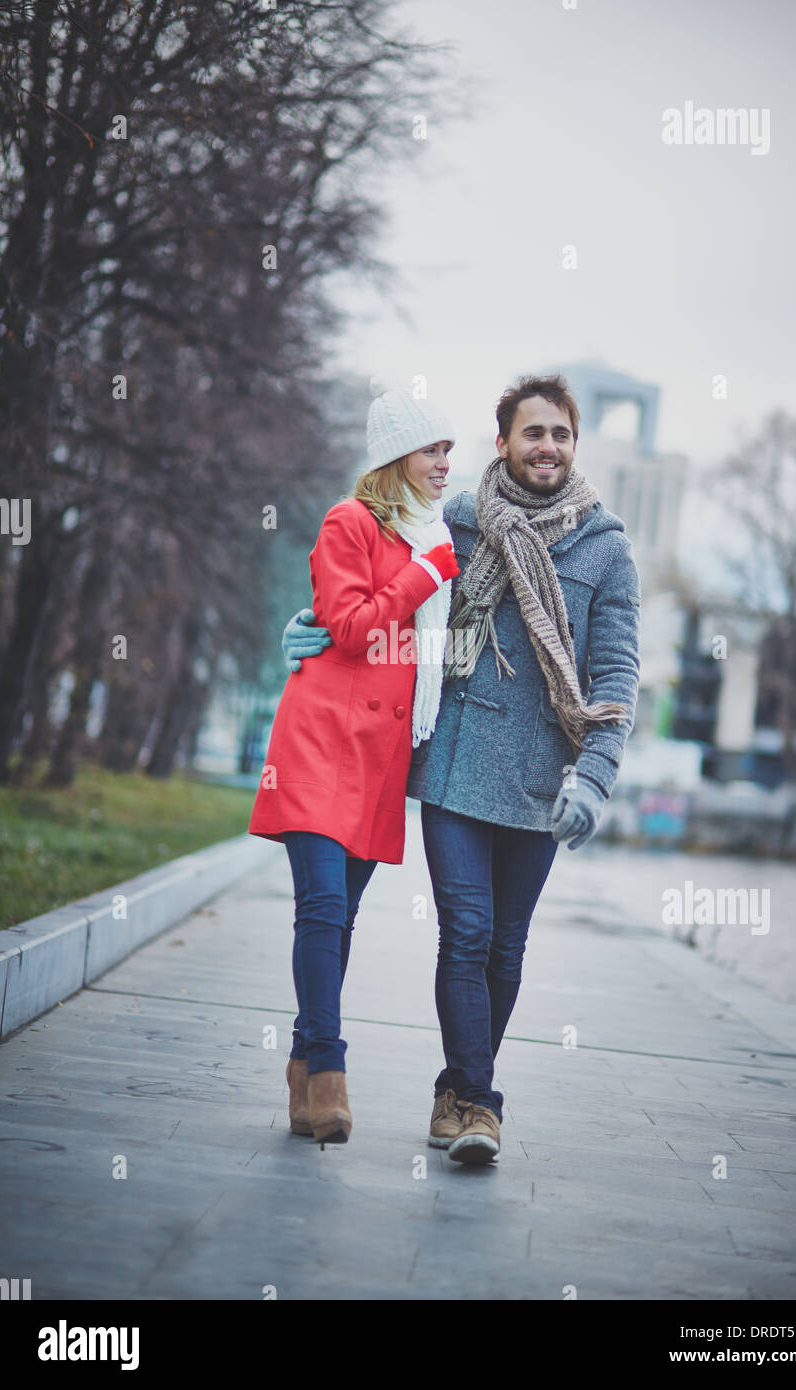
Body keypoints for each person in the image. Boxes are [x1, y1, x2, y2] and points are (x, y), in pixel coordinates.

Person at [282, 374, 640, 1165]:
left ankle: (456, 1086)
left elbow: (616, 678)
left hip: (545, 777)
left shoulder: (608, 549)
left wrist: (595, 775)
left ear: (575, 447)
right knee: (467, 932)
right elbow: (381, 587)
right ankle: (479, 1107)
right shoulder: (457, 521)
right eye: (532, 432)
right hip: (451, 760)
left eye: (561, 435)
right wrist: (311, 622)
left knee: (506, 946)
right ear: (505, 441)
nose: (547, 446)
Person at [249, 379, 460, 1148]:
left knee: (342, 920)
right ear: (396, 454)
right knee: (323, 910)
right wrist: (426, 573)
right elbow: (348, 626)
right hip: (318, 741)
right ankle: (330, 1069)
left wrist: (434, 566)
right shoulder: (352, 522)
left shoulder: (435, 532)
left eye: (449, 449)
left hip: (378, 761)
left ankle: (305, 1068)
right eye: (433, 447)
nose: (445, 461)